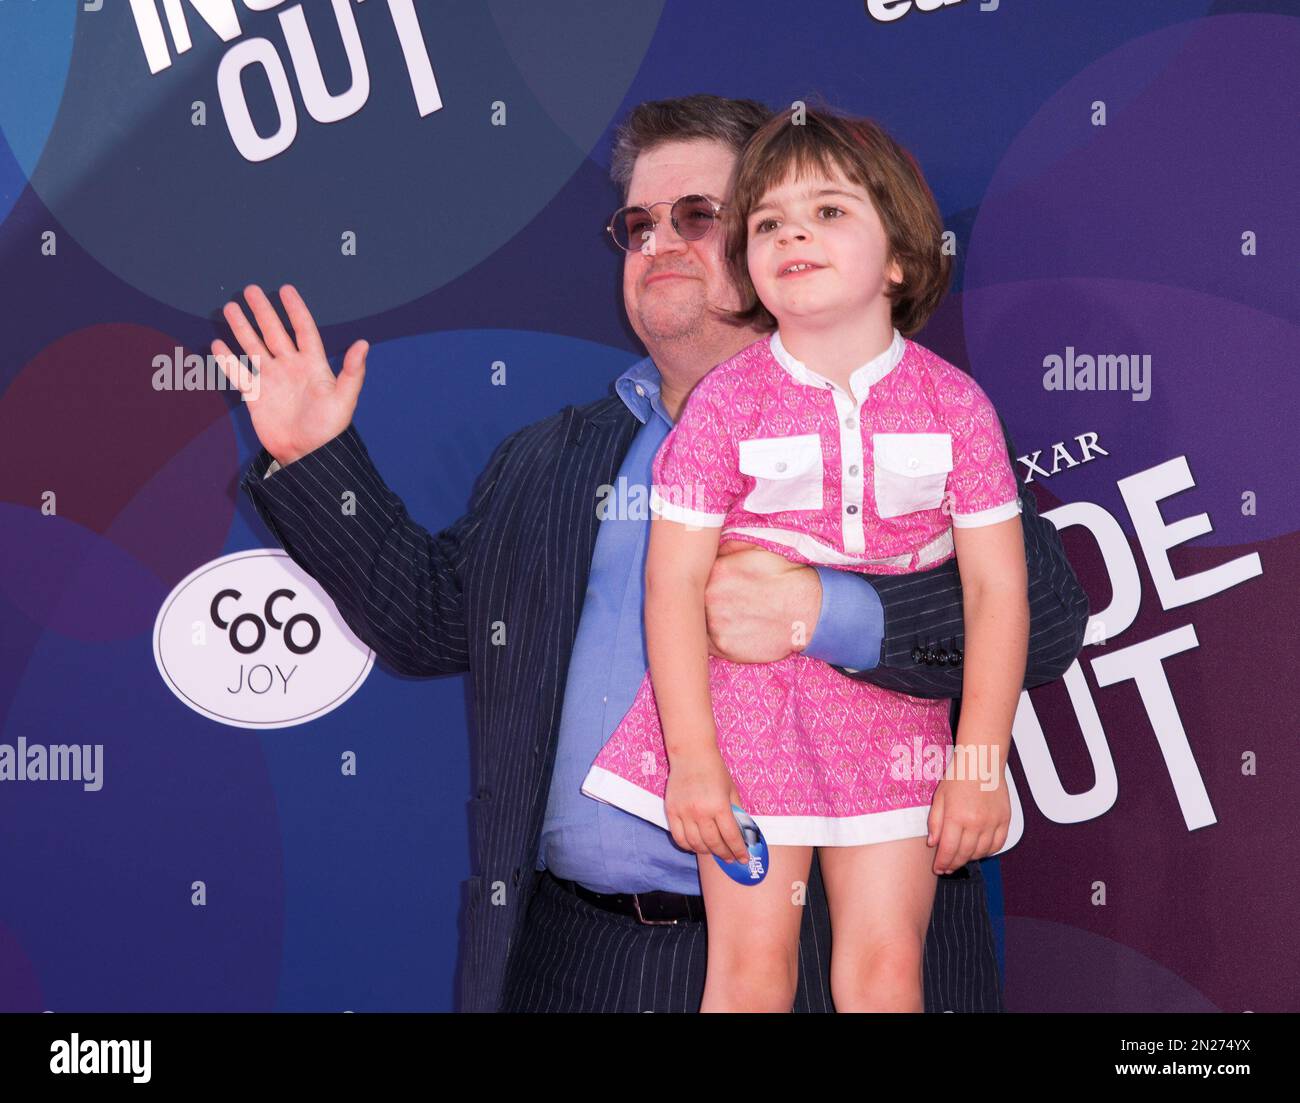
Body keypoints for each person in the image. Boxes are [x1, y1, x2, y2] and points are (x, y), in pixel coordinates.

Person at [211, 93, 1089, 1012]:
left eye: (698, 216)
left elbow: (1045, 615)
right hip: (574, 961)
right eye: (638, 225)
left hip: (824, 960)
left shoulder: (916, 413)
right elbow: (428, 621)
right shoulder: (548, 459)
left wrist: (819, 612)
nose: (658, 243)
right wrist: (313, 457)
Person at [581, 104, 1027, 1012]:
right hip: (746, 728)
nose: (794, 235)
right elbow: (672, 589)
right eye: (769, 223)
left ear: (900, 255)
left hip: (897, 734)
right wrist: (692, 760)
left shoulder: (959, 407)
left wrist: (980, 759)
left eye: (828, 212)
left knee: (887, 970)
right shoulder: (725, 404)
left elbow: (996, 590)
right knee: (746, 975)